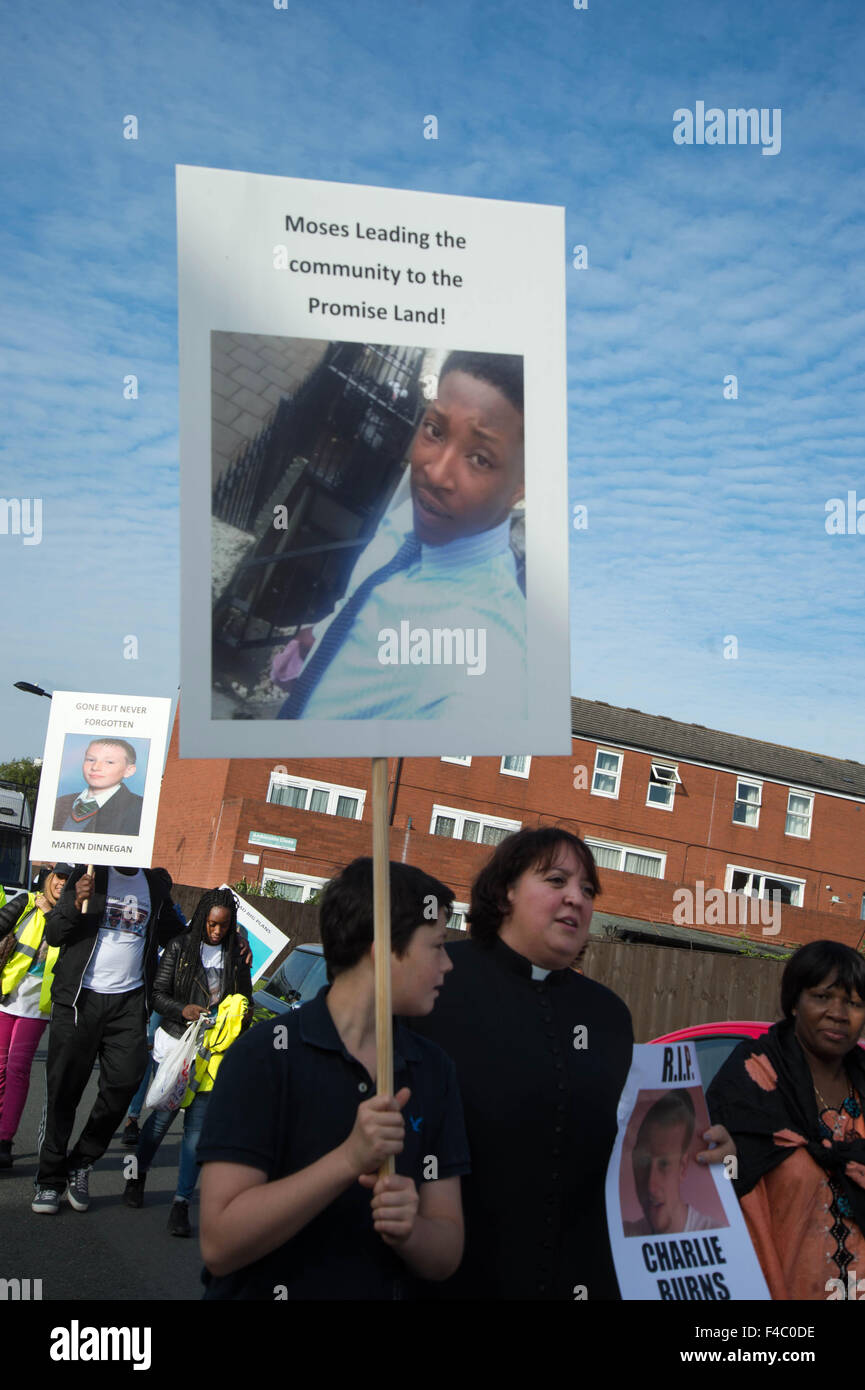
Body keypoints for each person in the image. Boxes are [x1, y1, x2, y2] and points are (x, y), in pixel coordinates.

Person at [411, 827, 734, 1299]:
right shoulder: (439, 982)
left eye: (586, 889)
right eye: (557, 880)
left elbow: (629, 1145)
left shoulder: (608, 1015)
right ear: (506, 891)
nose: (576, 899)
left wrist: (708, 1158)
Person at [197, 858, 470, 1299]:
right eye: (437, 945)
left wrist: (412, 1230)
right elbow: (220, 1243)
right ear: (382, 948)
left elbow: (445, 1253)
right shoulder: (264, 1056)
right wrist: (348, 1160)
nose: (449, 965)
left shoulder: (433, 1071)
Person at [276, 350, 527, 721]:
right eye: (435, 431)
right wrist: (321, 633)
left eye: (480, 459)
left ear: (522, 485)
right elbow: (363, 599)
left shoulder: (483, 665)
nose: (435, 473)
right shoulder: (416, 519)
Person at [707, 939, 865, 1300]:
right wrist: (728, 1159)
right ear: (794, 1001)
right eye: (823, 997)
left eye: (855, 1003)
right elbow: (716, 1183)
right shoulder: (752, 1077)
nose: (839, 1013)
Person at [32, 862, 185, 1214]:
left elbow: (178, 936)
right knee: (63, 1090)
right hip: (78, 1000)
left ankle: (81, 1162)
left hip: (129, 1003)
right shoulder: (89, 875)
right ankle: (49, 1179)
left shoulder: (154, 886)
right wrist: (74, 902)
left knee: (126, 1081)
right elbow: (55, 934)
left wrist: (227, 940)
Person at [122, 887, 253, 1236]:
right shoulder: (180, 947)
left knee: (196, 1131)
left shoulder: (236, 955)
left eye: (224, 926)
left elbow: (247, 1002)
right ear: (202, 919)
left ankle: (180, 1204)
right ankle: (137, 1174)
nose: (217, 931)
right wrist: (184, 1009)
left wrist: (235, 1023)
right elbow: (158, 994)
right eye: (212, 924)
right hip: (179, 1045)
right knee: (162, 1120)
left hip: (213, 1054)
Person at [0, 864, 71, 1169]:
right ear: (49, 879)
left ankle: (4, 1140)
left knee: (17, 1069)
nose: (61, 884)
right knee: (0, 1067)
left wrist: (51, 914)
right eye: (58, 877)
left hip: (37, 1006)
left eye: (68, 880)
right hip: (6, 996)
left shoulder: (70, 916)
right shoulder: (26, 902)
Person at [622, 1090, 716, 1236]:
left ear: (682, 1168)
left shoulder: (717, 1235)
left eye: (664, 1163)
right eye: (643, 1161)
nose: (650, 1188)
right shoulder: (622, 1234)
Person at [52, 738, 144, 836]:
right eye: (90, 760)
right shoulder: (59, 803)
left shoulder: (140, 809)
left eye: (109, 762)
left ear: (129, 770)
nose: (95, 767)